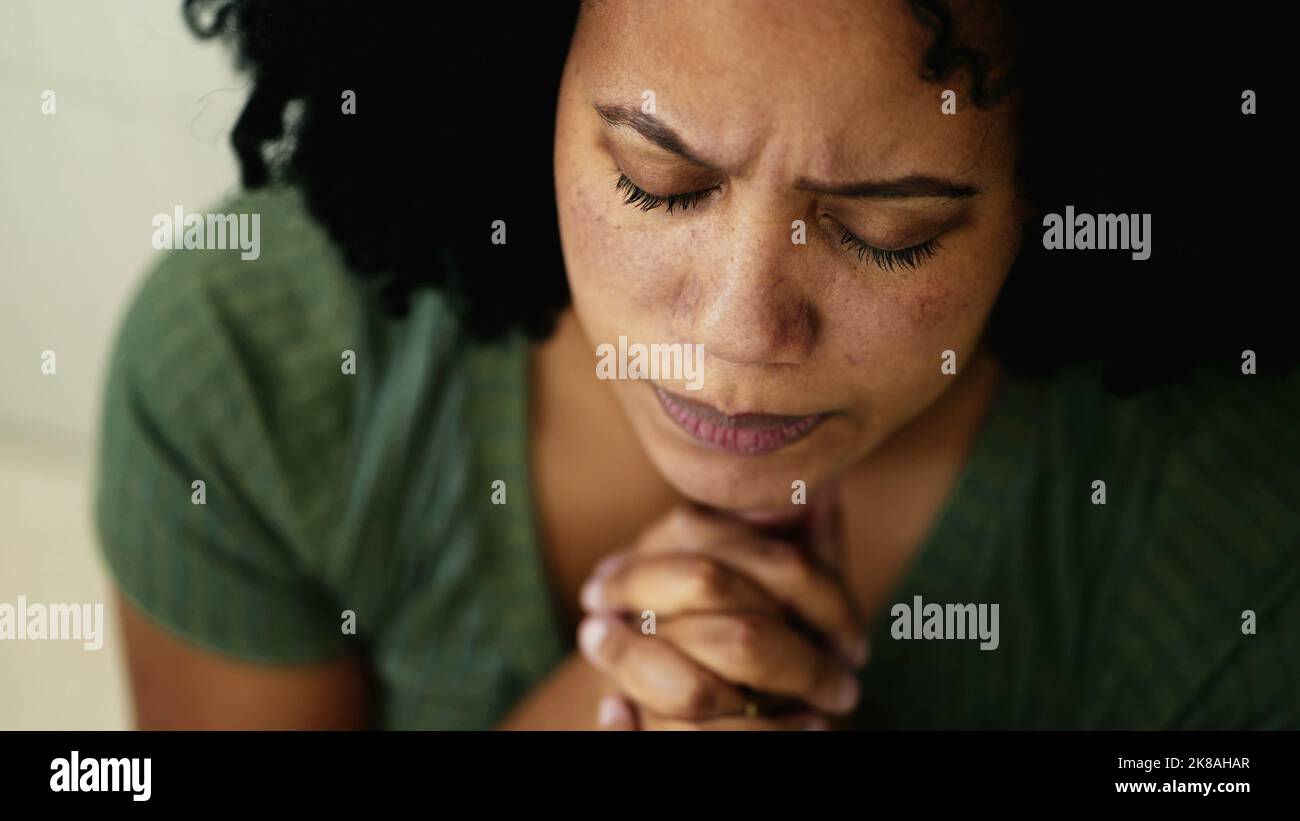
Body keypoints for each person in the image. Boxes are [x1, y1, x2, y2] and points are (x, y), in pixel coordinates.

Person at [97, 0, 1298, 729]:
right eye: (655, 180)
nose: (736, 333)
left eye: (889, 230)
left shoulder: (1242, 533)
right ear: (521, 79)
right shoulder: (249, 371)